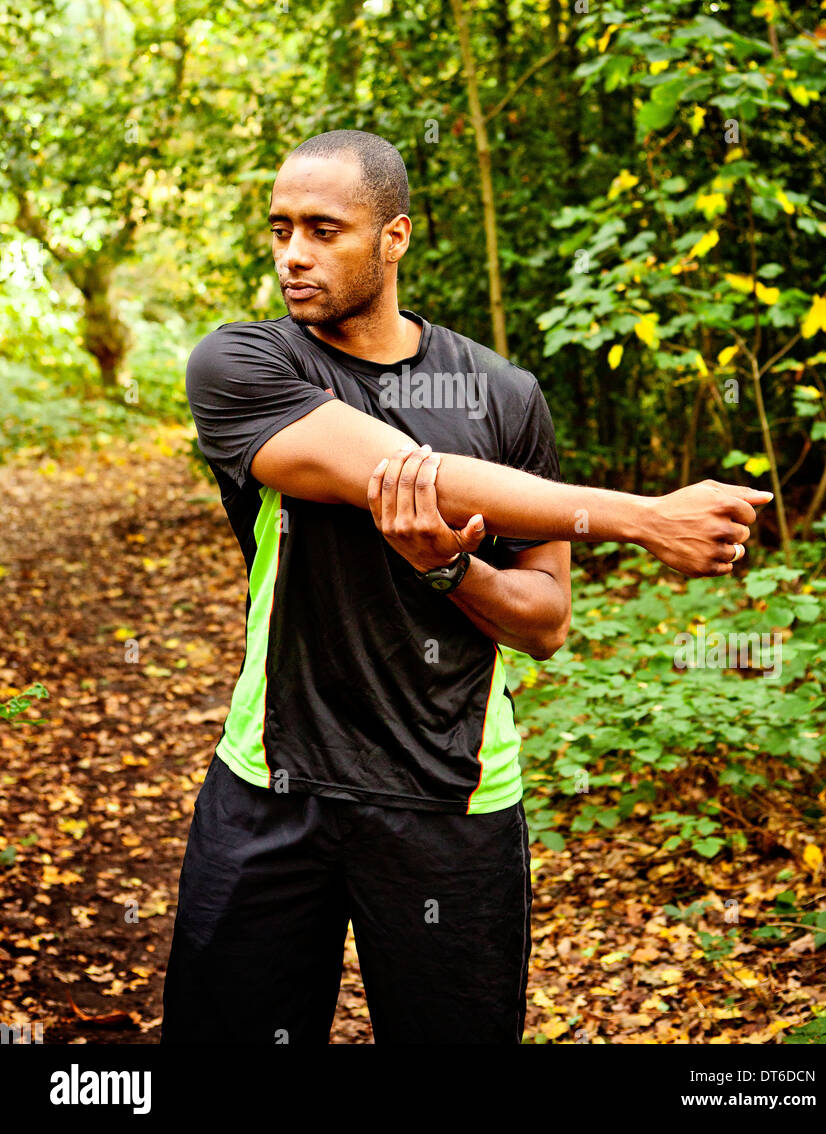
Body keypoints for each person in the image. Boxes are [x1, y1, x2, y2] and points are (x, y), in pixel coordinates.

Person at [161, 129, 768, 1046]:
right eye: (280, 228)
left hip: (455, 798)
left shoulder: (503, 394)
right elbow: (400, 471)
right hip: (271, 784)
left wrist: (447, 568)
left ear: (395, 236)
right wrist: (641, 516)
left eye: (324, 229)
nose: (293, 254)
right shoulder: (244, 364)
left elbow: (545, 623)